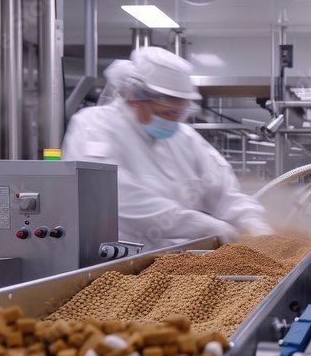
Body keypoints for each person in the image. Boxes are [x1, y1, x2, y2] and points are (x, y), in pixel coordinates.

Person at [62, 47, 272, 250]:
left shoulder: (184, 137)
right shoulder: (93, 127)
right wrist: (208, 227)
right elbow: (122, 200)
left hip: (173, 264)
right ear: (134, 99)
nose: (174, 120)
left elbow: (222, 189)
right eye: (168, 112)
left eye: (180, 113)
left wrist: (253, 223)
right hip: (112, 264)